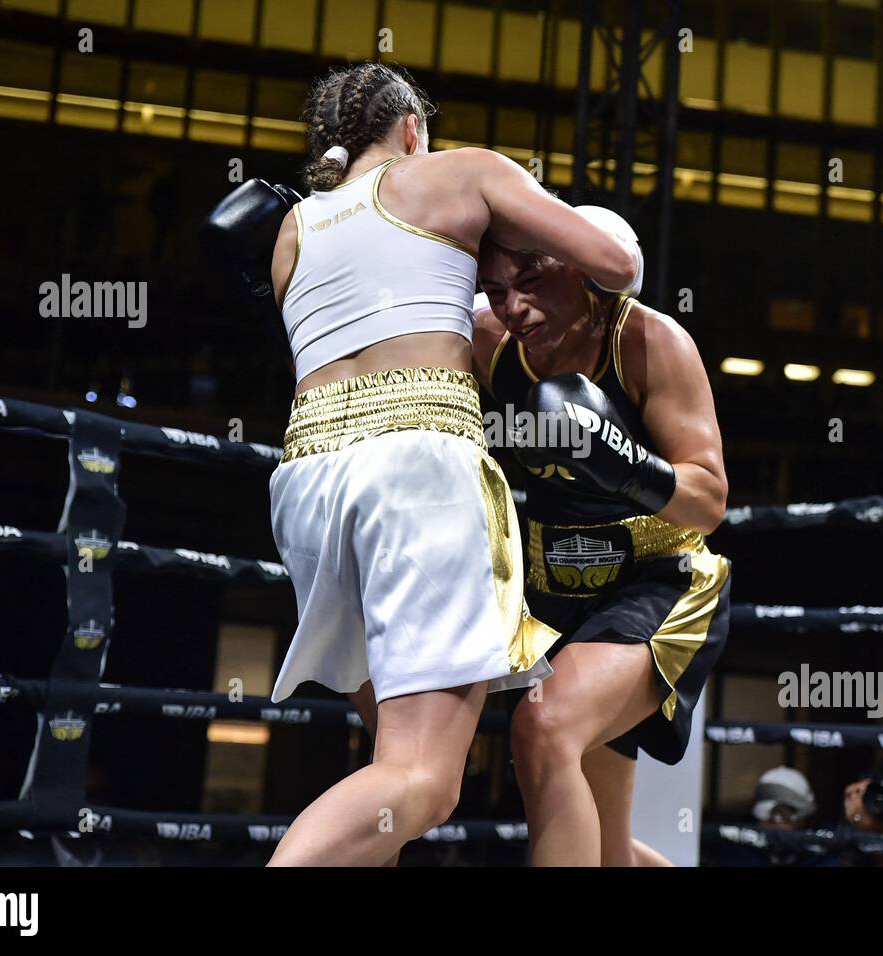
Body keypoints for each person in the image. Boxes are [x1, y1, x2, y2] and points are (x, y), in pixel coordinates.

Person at [207, 61, 641, 867]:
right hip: (416, 470)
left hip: (307, 485)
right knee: (422, 779)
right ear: (412, 128)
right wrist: (517, 239)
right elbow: (618, 266)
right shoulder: (461, 172)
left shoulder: (293, 232)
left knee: (390, 783)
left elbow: (377, 317)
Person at [471, 213, 730, 866]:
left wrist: (620, 457)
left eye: (530, 278)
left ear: (583, 266)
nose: (515, 305)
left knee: (543, 725)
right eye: (498, 289)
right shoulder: (484, 338)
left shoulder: (648, 341)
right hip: (552, 593)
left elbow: (709, 499)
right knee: (608, 849)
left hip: (655, 583)